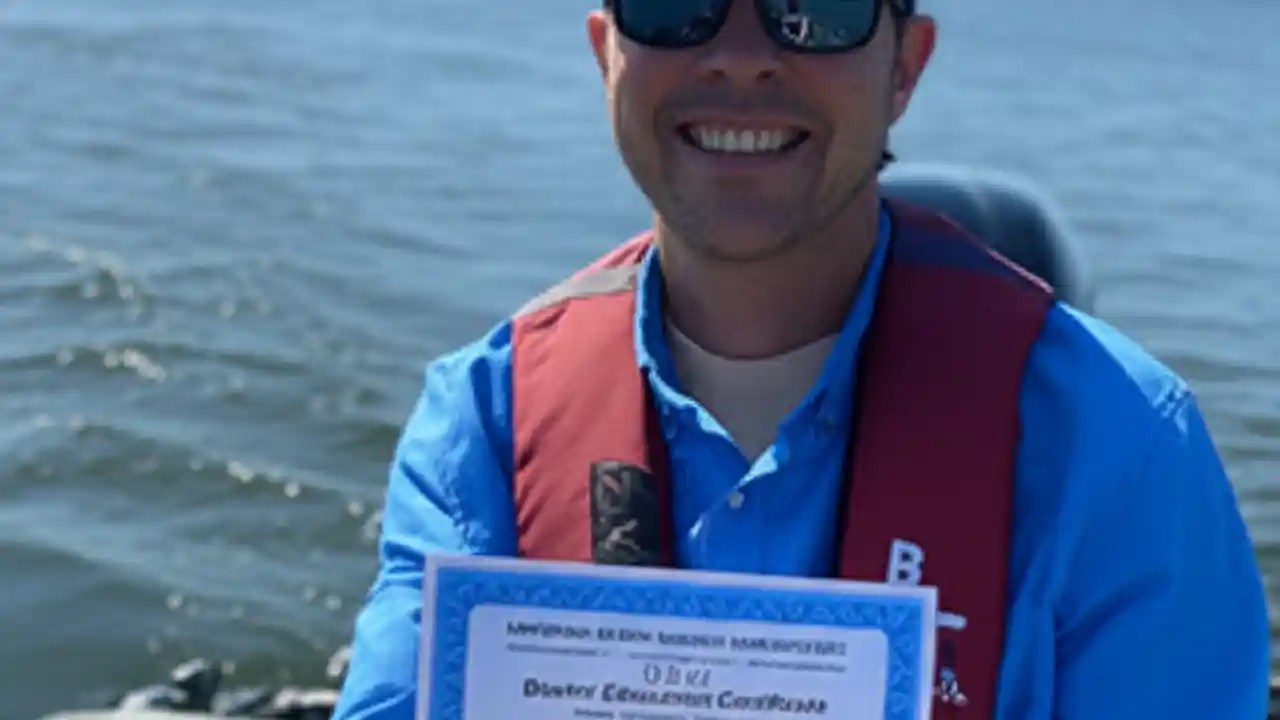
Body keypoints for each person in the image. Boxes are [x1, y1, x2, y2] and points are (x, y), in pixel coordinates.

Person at [332, 1, 1271, 718]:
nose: (741, 57)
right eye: (672, 4)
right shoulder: (485, 422)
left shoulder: (1119, 445)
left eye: (814, 7)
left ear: (906, 64)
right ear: (603, 49)